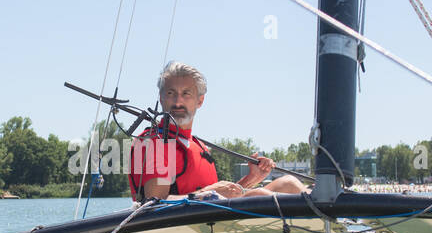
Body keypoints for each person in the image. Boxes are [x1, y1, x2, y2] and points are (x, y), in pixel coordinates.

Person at [128, 61, 309, 201]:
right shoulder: (154, 143)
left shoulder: (199, 146)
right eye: (170, 93)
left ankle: (329, 223)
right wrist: (209, 192)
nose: (177, 102)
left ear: (200, 100)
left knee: (288, 183)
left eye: (186, 94)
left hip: (208, 224)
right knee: (259, 195)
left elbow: (219, 197)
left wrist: (252, 178)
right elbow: (153, 205)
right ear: (161, 98)